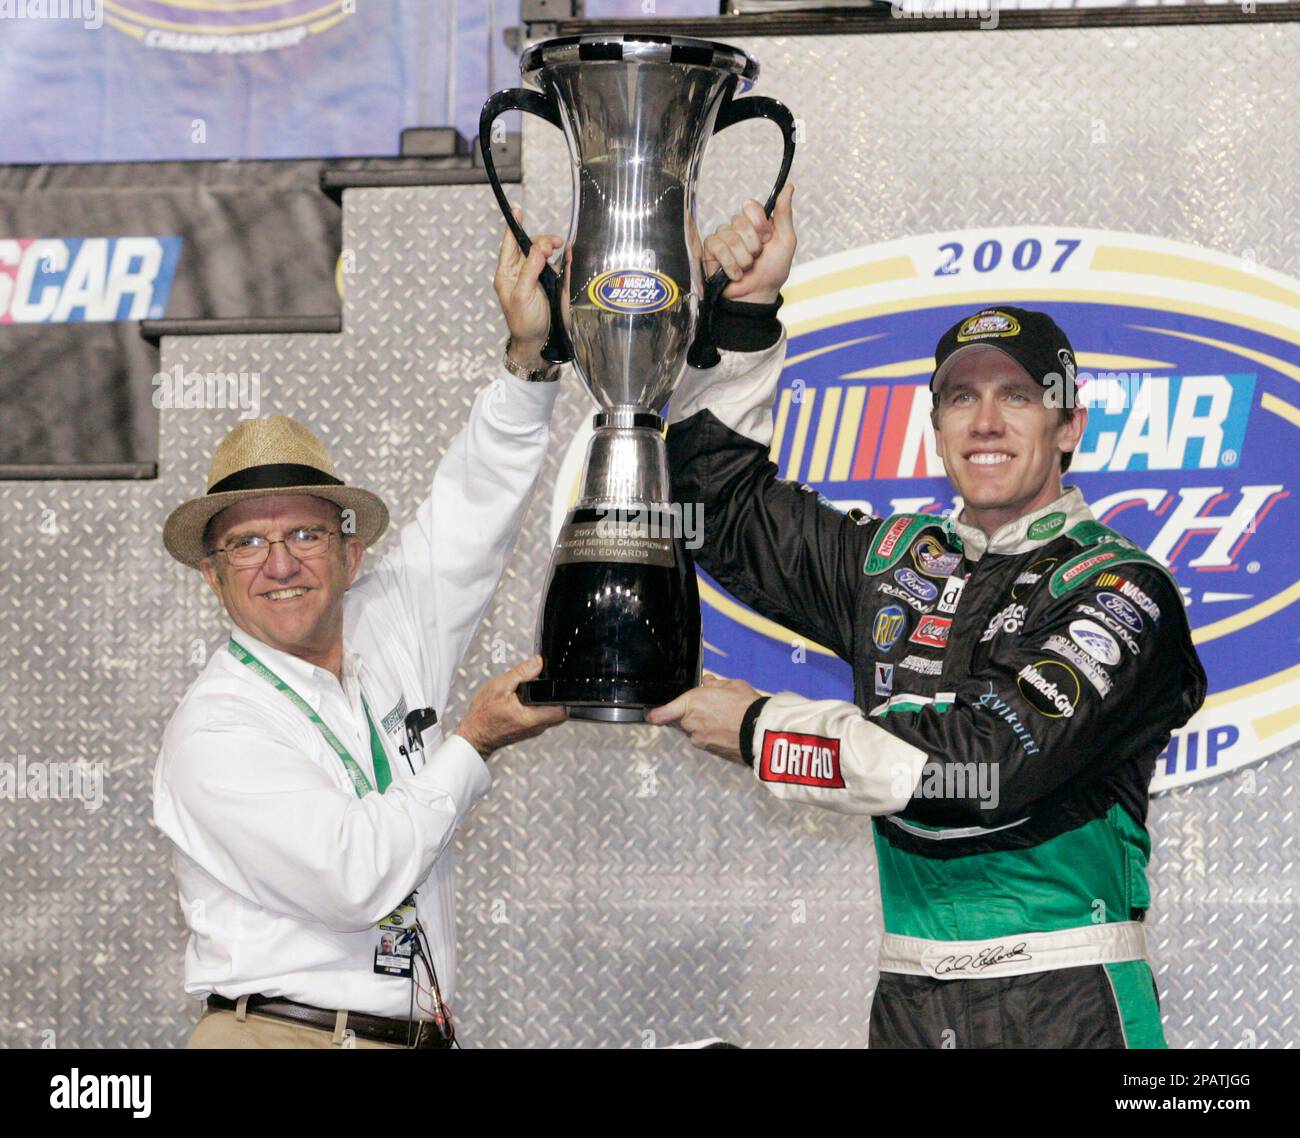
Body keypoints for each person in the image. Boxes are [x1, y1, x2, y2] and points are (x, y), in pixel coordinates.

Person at [649, 186, 1207, 1049]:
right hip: (910, 997)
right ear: (937, 426)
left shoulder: (1123, 592)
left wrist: (764, 731)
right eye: (960, 397)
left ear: (1070, 426)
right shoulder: (895, 566)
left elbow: (982, 776)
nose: (985, 421)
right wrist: (751, 315)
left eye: (1017, 397)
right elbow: (716, 510)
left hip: (1068, 998)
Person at [153, 213, 569, 1049]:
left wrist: (530, 363)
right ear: (213, 574)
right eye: (247, 543)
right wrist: (474, 742)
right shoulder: (217, 726)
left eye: (304, 535)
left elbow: (472, 506)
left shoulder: (387, 623)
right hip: (282, 1040)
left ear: (352, 549)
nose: (281, 564)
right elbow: (354, 878)